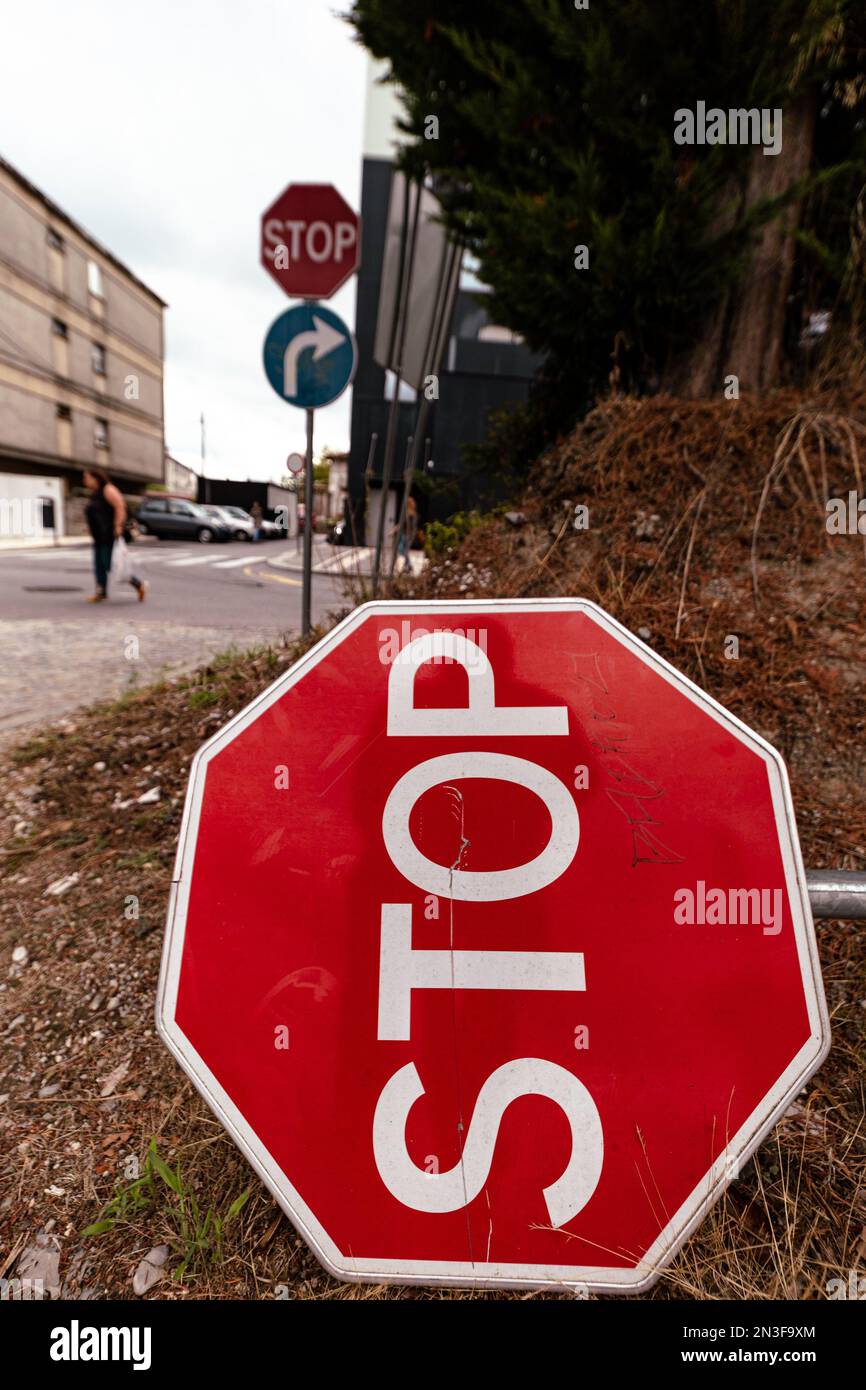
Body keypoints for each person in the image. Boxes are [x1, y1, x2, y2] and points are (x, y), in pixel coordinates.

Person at [83, 468, 148, 603]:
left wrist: (118, 526)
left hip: (108, 534)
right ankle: (101, 593)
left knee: (110, 564)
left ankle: (139, 585)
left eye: (87, 478)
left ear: (96, 478)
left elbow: (120, 506)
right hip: (98, 535)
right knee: (99, 565)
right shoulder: (95, 493)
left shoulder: (108, 489)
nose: (85, 481)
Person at [395, 495, 419, 574]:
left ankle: (409, 565)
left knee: (401, 549)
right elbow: (401, 524)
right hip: (403, 534)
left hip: (408, 535)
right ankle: (407, 567)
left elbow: (412, 526)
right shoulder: (406, 513)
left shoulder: (412, 514)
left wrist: (411, 535)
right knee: (403, 550)